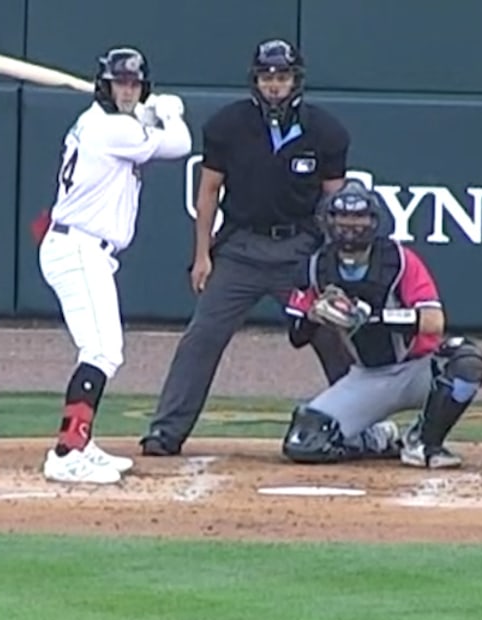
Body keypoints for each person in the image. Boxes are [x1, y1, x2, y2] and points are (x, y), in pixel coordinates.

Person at [138, 37, 355, 457]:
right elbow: (208, 191)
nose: (275, 85)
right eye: (267, 76)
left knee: (331, 334)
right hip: (240, 249)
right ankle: (166, 431)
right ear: (255, 80)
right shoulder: (227, 125)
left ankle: (364, 425)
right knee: (202, 337)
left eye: (283, 77)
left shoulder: (326, 130)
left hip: (298, 250)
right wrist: (202, 255)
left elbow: (334, 205)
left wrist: (328, 267)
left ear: (296, 80)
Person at [37, 46, 192, 484]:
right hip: (79, 247)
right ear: (104, 85)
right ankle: (67, 451)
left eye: (134, 84)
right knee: (102, 352)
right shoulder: (108, 130)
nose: (128, 90)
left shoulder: (105, 123)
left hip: (85, 248)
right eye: (120, 83)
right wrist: (170, 114)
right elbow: (179, 144)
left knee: (104, 351)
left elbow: (135, 124)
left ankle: (80, 444)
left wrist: (148, 112)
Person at [279, 178, 482, 469]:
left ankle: (424, 441)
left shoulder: (400, 260)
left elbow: (433, 322)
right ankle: (375, 438)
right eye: (343, 216)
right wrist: (315, 316)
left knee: (467, 360)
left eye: (359, 217)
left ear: (373, 221)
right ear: (329, 220)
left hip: (418, 369)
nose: (350, 225)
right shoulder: (316, 267)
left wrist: (372, 318)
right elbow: (296, 336)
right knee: (305, 442)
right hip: (369, 376)